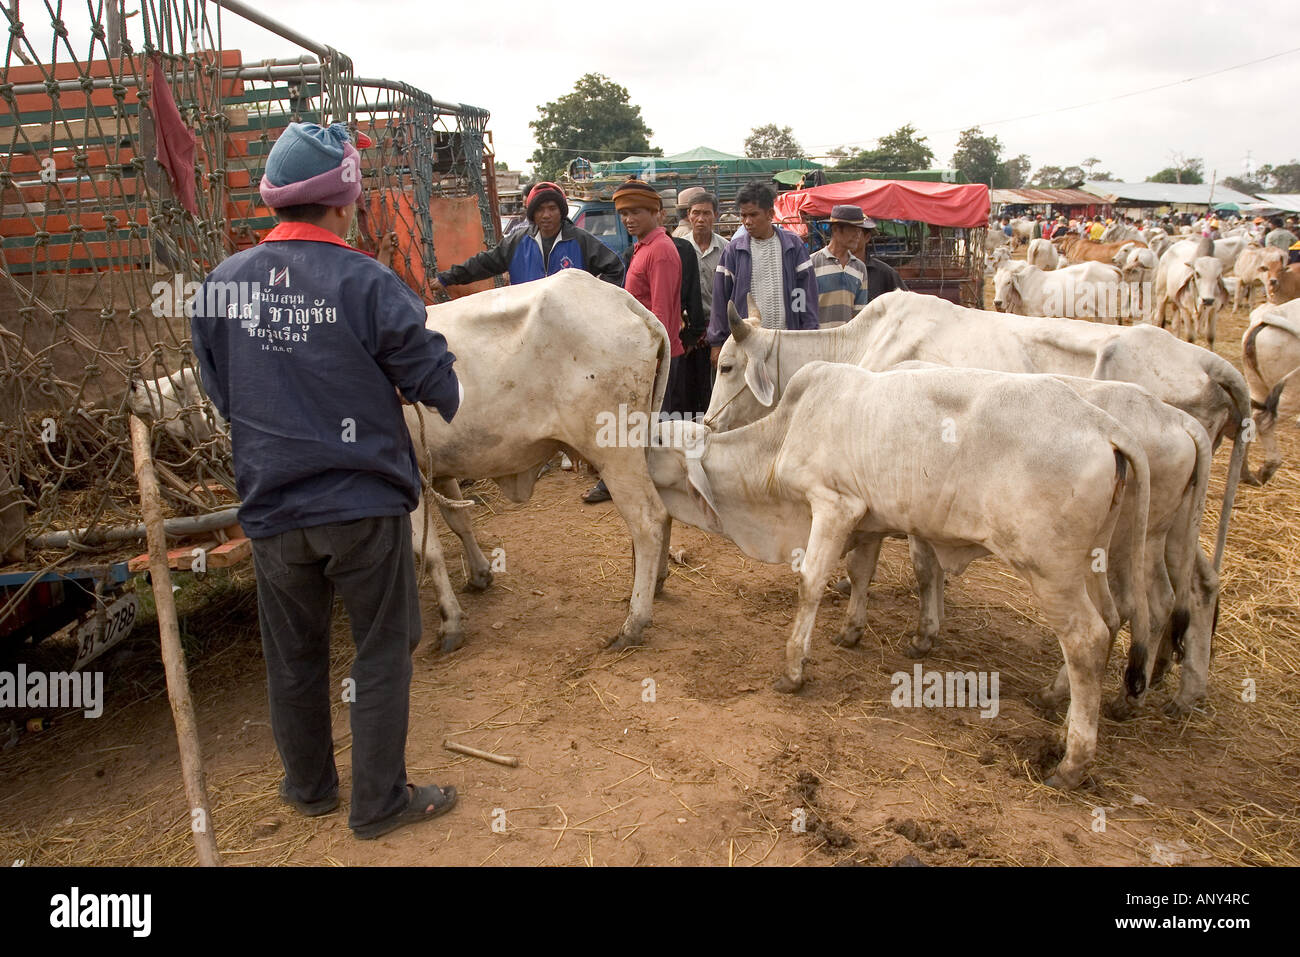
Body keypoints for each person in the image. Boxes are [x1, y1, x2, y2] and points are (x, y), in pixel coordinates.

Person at [190, 122, 462, 840]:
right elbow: (440, 389)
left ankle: (309, 787)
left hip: (272, 505)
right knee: (380, 646)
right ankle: (379, 802)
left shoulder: (223, 283)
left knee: (295, 652)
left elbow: (222, 391)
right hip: (360, 505)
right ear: (344, 199)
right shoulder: (367, 281)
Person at [583, 179, 683, 504]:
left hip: (654, 356)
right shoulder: (643, 248)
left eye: (636, 211)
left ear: (657, 213)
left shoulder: (662, 252)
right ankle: (632, 484)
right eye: (624, 213)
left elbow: (664, 315)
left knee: (654, 424)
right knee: (639, 422)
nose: (628, 219)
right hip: (640, 354)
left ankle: (657, 491)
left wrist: (654, 361)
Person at [432, 181, 623, 292]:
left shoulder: (581, 240)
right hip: (527, 325)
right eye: (540, 209)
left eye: (552, 208)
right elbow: (484, 263)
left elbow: (616, 268)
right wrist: (446, 279)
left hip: (571, 325)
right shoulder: (517, 241)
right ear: (532, 214)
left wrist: (594, 296)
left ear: (561, 211)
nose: (546, 214)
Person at [708, 181, 819, 365]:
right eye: (743, 215)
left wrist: (808, 333)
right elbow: (721, 299)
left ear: (770, 214)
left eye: (753, 215)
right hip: (747, 345)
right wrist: (716, 342)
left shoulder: (793, 246)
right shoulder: (734, 250)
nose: (747, 222)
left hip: (786, 342)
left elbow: (804, 294)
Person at [810, 205, 871, 328]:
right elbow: (804, 310)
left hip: (846, 344)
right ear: (836, 229)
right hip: (817, 340)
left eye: (860, 230)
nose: (858, 234)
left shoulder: (860, 268)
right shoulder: (812, 264)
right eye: (854, 229)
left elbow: (859, 314)